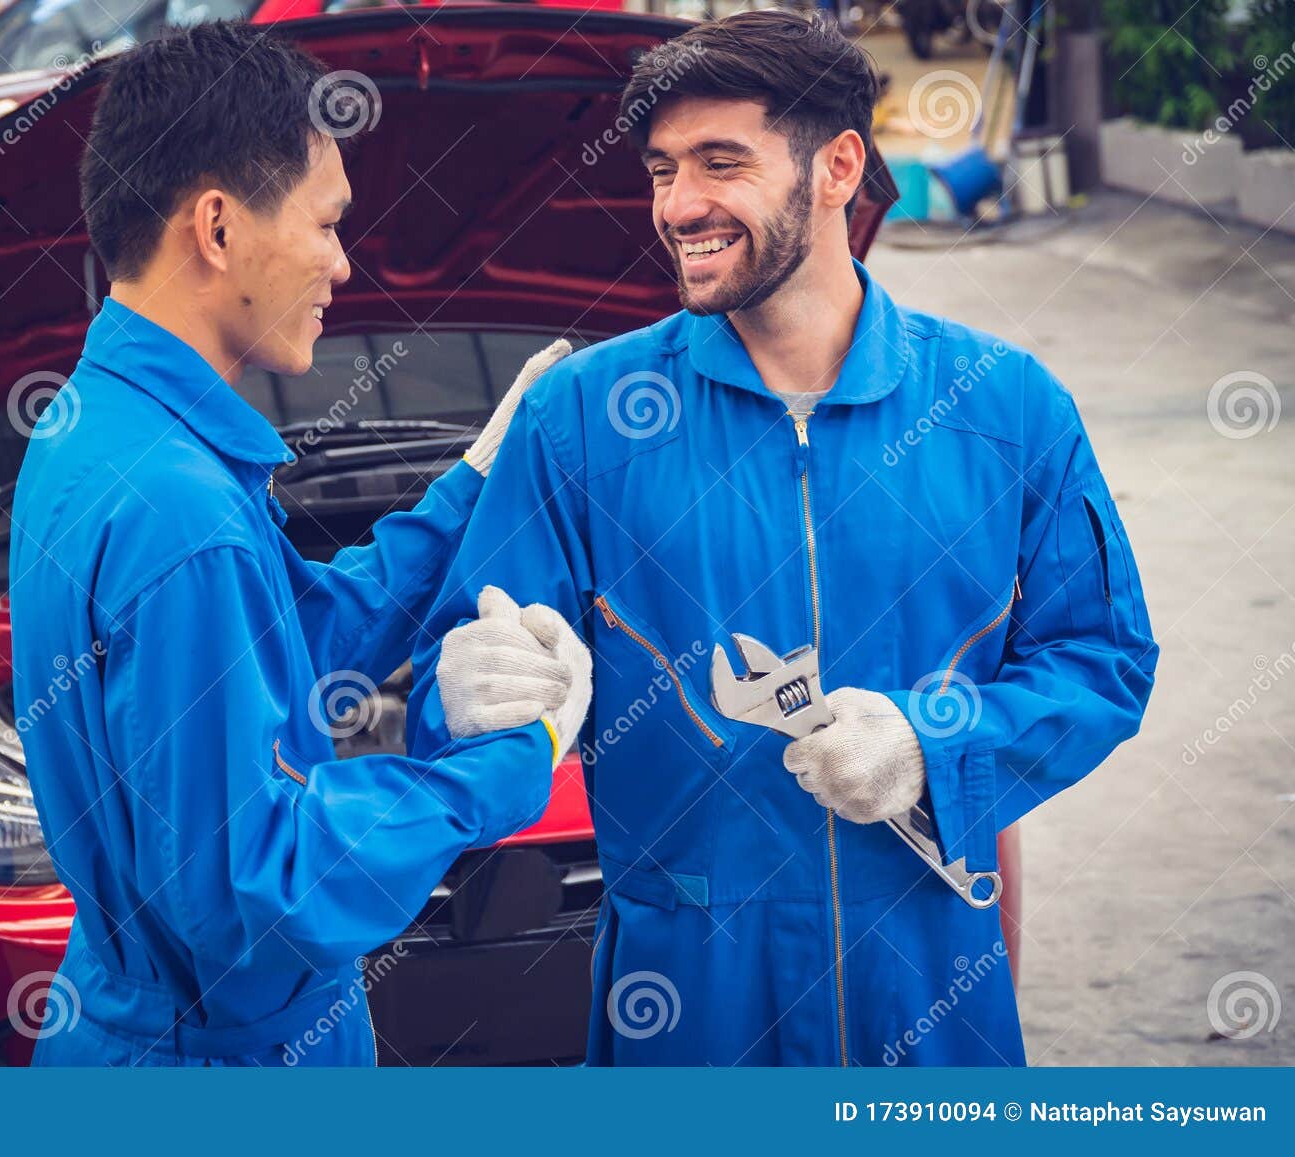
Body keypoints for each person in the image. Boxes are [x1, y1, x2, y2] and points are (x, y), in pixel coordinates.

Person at [409, 10, 1158, 1066]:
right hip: (684, 1011)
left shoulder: (1004, 408)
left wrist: (931, 744)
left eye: (722, 162)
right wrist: (467, 699)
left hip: (929, 997)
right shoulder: (579, 420)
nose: (678, 206)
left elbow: (1105, 659)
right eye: (663, 169)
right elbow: (469, 707)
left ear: (837, 165)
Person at [9, 21, 589, 1067]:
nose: (343, 261)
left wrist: (472, 482)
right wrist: (506, 756)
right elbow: (259, 889)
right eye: (325, 225)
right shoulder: (177, 513)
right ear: (219, 227)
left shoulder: (100, 429)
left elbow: (294, 643)